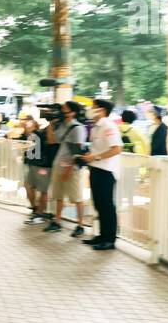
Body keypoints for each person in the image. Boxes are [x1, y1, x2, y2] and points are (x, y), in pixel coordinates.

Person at [79, 99, 122, 250]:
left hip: (106, 171)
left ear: (102, 110)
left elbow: (116, 149)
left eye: (94, 107)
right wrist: (89, 156)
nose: (90, 109)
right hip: (96, 169)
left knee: (106, 206)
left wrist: (95, 157)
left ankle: (110, 239)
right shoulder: (96, 127)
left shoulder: (108, 126)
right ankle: (102, 236)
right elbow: (97, 148)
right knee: (98, 204)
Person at [43, 100, 88, 238]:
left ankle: (80, 225)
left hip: (71, 168)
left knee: (76, 197)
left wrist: (69, 169)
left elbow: (78, 151)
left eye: (64, 109)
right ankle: (57, 220)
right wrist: (50, 122)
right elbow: (52, 141)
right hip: (58, 164)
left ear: (73, 112)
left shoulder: (78, 128)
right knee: (58, 195)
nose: (61, 111)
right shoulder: (62, 125)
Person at [20, 116, 56, 225]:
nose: (27, 125)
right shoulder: (28, 136)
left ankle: (40, 214)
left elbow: (36, 147)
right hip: (32, 165)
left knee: (43, 190)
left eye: (29, 123)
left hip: (42, 166)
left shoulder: (38, 134)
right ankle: (36, 210)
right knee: (28, 185)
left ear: (36, 126)